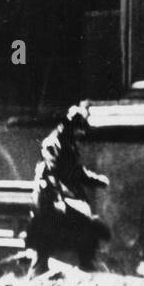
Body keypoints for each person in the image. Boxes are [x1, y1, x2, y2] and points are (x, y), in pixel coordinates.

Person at [26, 100, 111, 274]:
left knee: (88, 221)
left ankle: (85, 263)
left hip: (61, 199)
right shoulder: (56, 144)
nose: (80, 132)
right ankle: (80, 263)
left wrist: (96, 180)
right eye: (79, 127)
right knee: (84, 223)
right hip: (52, 199)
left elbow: (75, 172)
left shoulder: (67, 143)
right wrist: (58, 200)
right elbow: (58, 172)